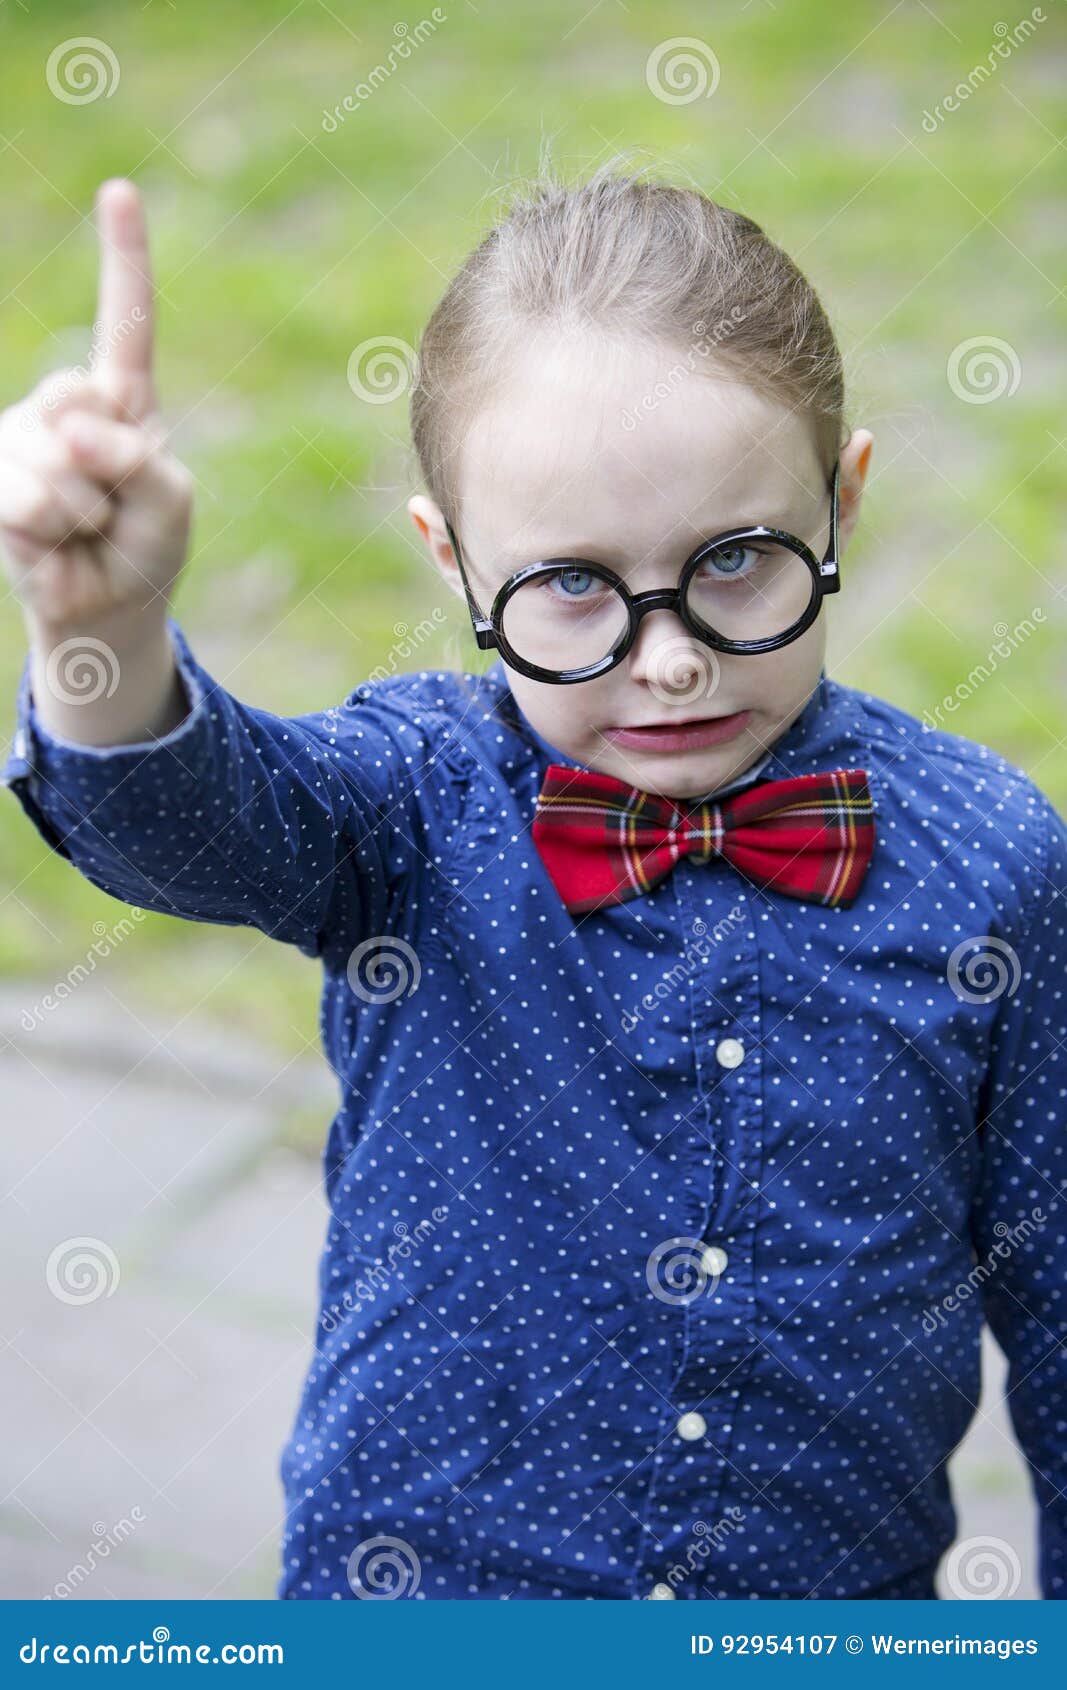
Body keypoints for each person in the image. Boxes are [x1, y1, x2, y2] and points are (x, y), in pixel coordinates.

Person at [2, 166, 1064, 1603]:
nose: (670, 659)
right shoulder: (410, 805)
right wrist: (107, 632)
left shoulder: (992, 860)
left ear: (843, 503)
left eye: (736, 562)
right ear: (456, 562)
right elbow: (187, 821)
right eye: (573, 585)